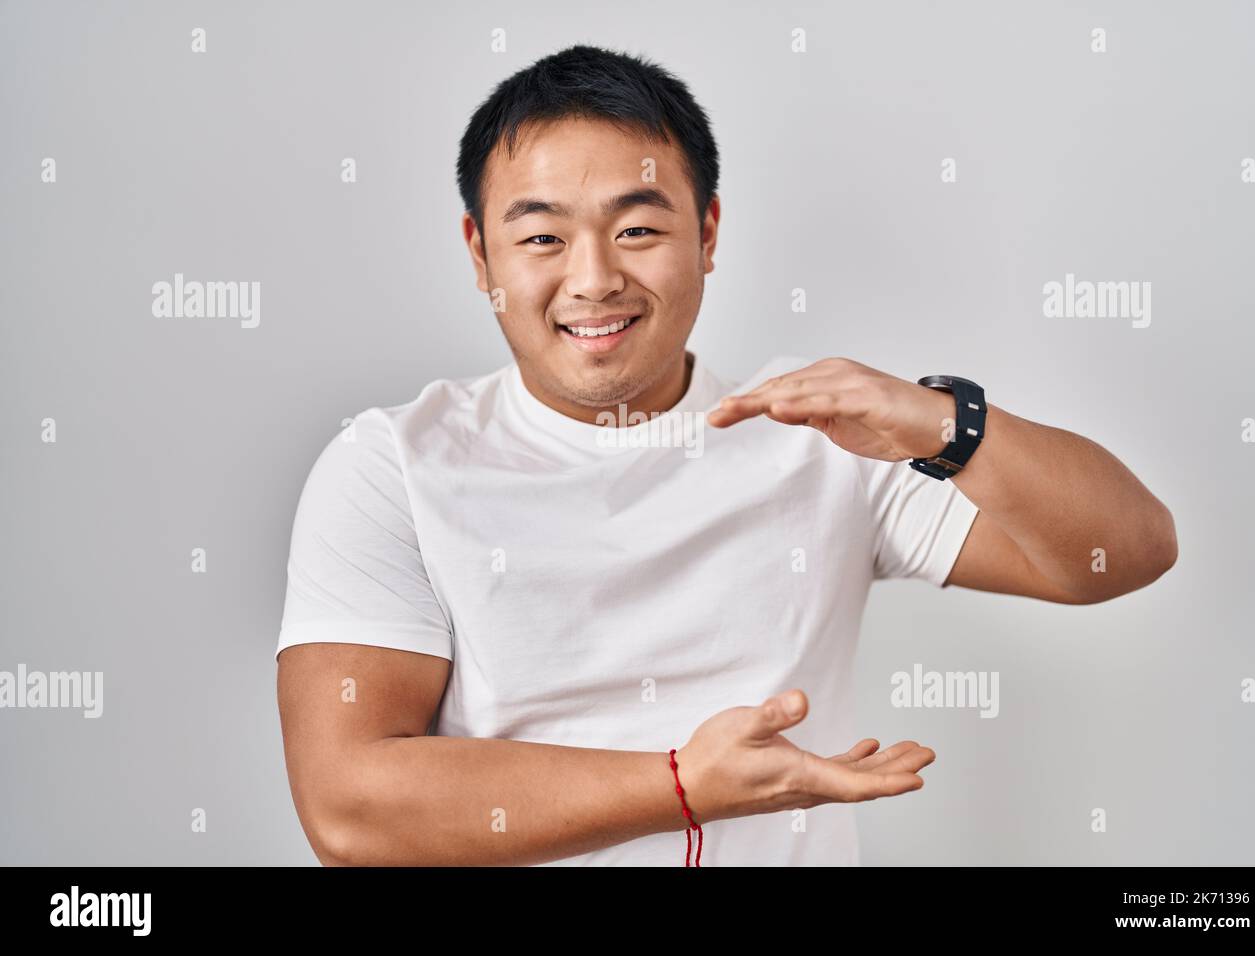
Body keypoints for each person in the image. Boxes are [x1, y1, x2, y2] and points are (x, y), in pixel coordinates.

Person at [274, 44, 1177, 866]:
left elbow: (1123, 552)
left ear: (707, 235)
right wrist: (683, 786)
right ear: (482, 256)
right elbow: (353, 811)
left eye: (637, 229)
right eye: (542, 236)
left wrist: (943, 421)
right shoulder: (392, 465)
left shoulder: (819, 436)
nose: (593, 279)